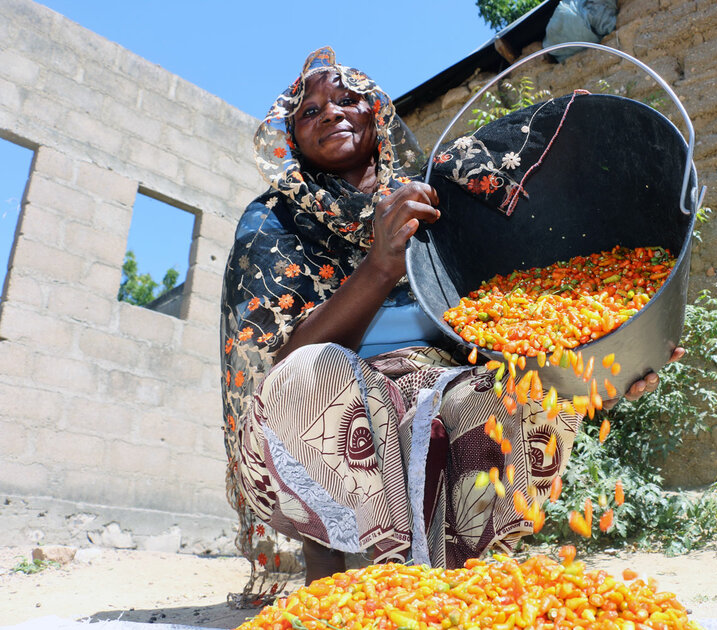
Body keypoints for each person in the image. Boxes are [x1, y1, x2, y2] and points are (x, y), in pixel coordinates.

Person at [220, 47, 681, 606]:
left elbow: (515, 322)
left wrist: (615, 357)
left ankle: (457, 578)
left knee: (538, 388)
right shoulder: (273, 221)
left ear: (377, 115)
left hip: (450, 381)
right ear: (290, 136)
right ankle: (346, 582)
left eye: (347, 100)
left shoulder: (440, 199)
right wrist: (381, 265)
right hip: (339, 397)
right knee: (311, 373)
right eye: (310, 110)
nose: (332, 113)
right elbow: (284, 362)